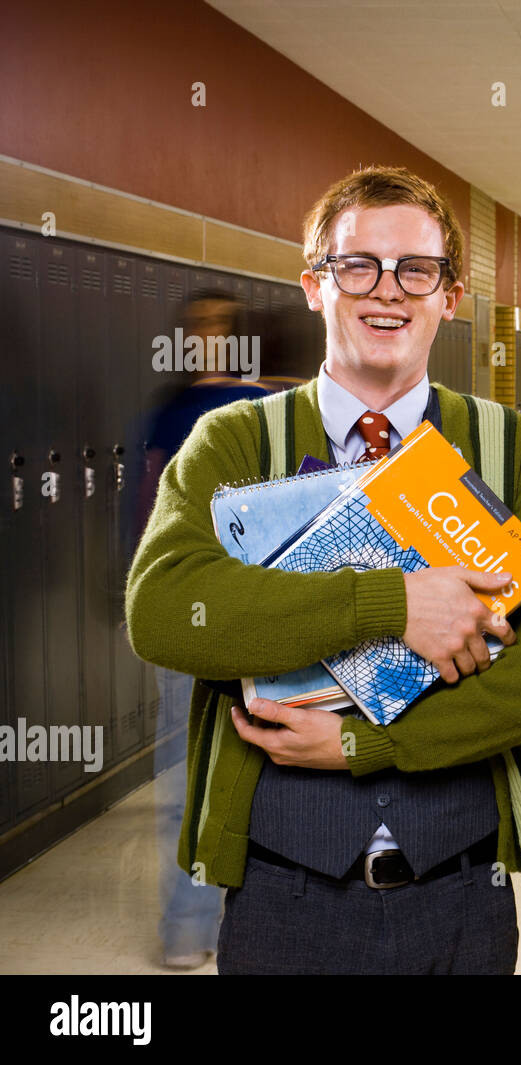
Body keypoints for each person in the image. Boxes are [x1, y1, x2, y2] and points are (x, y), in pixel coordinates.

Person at [126, 165, 521, 974]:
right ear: (315, 284)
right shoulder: (235, 443)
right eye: (359, 266)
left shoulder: (511, 451)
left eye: (418, 269)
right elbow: (166, 608)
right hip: (284, 894)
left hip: (461, 891)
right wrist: (390, 602)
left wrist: (366, 743)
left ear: (450, 295)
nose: (390, 291)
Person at [140, 290, 271, 969]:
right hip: (180, 613)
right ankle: (187, 924)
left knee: (250, 766)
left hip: (245, 609)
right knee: (183, 775)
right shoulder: (168, 411)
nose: (208, 337)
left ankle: (241, 914)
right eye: (197, 327)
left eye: (220, 327)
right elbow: (145, 509)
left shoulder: (257, 405)